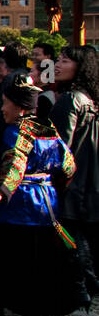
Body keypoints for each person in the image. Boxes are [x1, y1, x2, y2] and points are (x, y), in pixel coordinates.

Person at [0, 75, 81, 316]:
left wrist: (1, 192)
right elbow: (69, 165)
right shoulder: (48, 128)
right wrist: (55, 187)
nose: (1, 108)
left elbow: (15, 164)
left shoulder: (15, 131)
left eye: (5, 102)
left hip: (17, 204)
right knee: (38, 258)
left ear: (19, 107)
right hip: (46, 204)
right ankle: (35, 313)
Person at [49, 45, 99, 301]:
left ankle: (79, 286)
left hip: (72, 181)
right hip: (92, 180)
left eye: (65, 60)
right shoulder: (92, 99)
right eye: (58, 59)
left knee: (68, 236)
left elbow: (59, 146)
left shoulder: (71, 100)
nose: (57, 64)